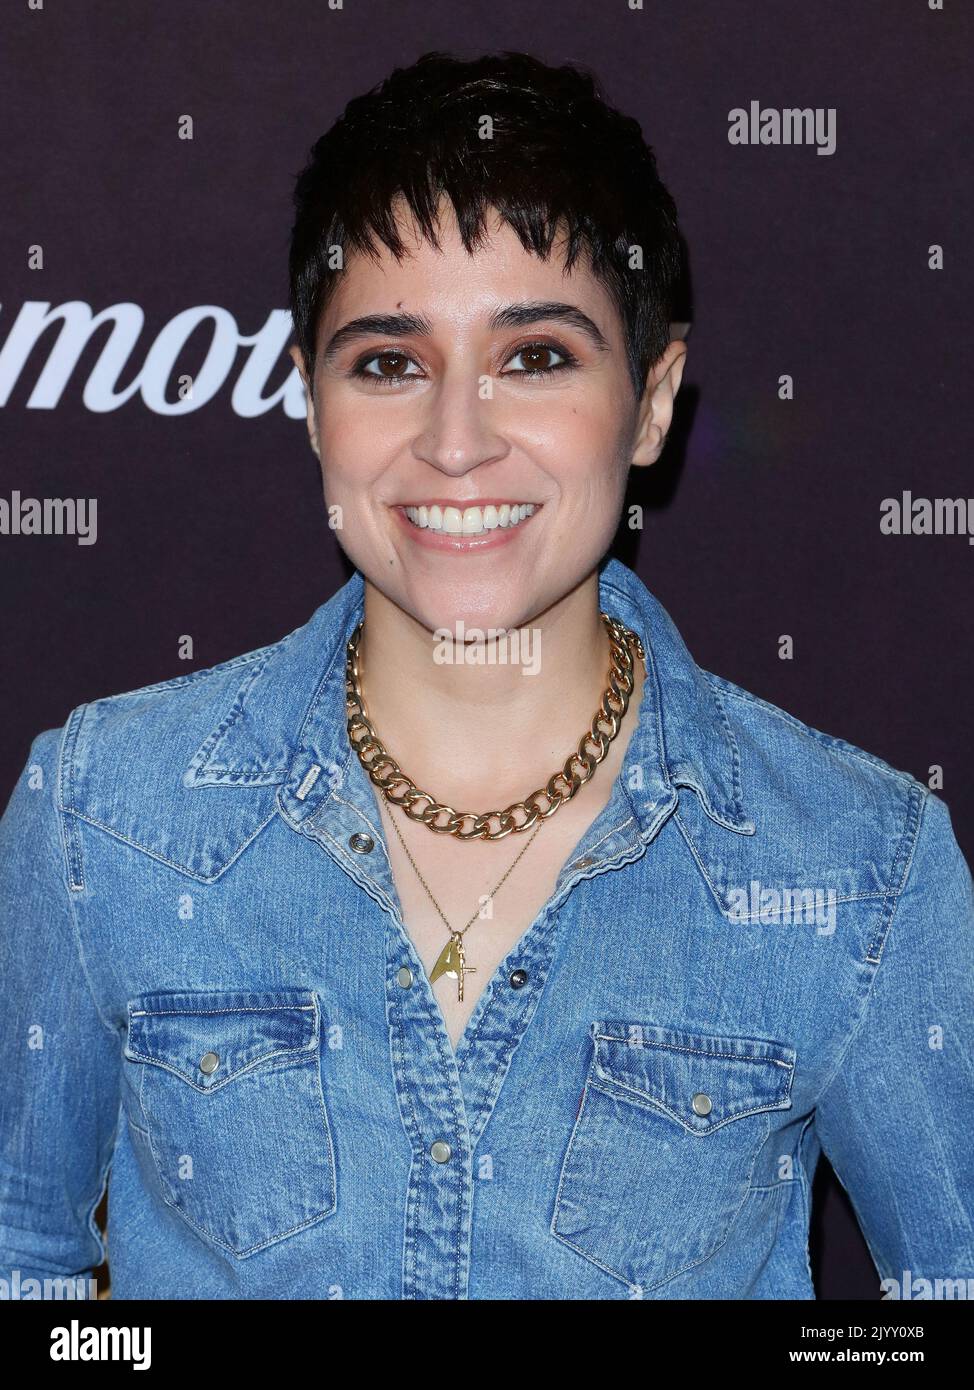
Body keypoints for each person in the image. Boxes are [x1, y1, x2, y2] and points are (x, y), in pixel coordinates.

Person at [1, 50, 972, 1303]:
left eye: (536, 358)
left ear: (652, 402)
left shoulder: (856, 863)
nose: (455, 442)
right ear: (309, 400)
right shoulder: (98, 816)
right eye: (388, 363)